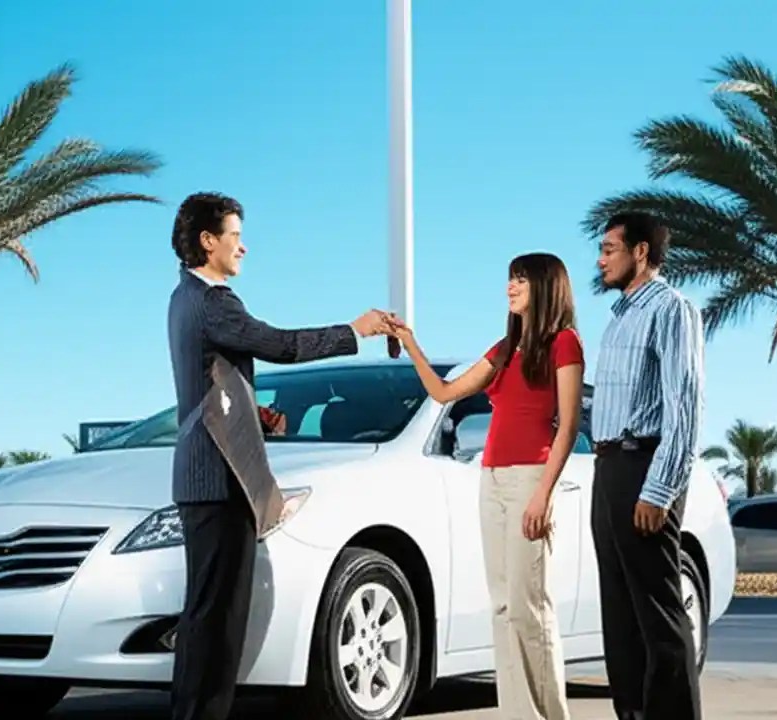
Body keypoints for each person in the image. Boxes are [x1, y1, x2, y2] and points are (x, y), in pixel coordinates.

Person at [166, 191, 393, 720]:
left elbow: (212, 379)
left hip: (199, 475)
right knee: (217, 624)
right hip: (220, 479)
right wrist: (353, 331)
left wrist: (254, 414)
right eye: (235, 237)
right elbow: (280, 345)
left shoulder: (182, 299)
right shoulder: (213, 301)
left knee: (204, 617)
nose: (243, 248)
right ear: (208, 241)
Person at [390, 252, 583, 720]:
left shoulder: (564, 344)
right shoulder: (504, 348)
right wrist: (411, 343)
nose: (509, 288)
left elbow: (570, 424)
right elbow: (443, 392)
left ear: (544, 285)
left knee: (528, 608)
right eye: (509, 280)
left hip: (528, 481)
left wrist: (544, 494)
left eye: (519, 280)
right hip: (491, 481)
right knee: (502, 608)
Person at [590, 211, 704, 720]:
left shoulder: (671, 309)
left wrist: (659, 489)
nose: (601, 259)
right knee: (619, 612)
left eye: (609, 248)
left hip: (645, 467)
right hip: (609, 468)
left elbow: (684, 404)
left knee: (657, 614)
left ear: (640, 252)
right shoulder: (618, 318)